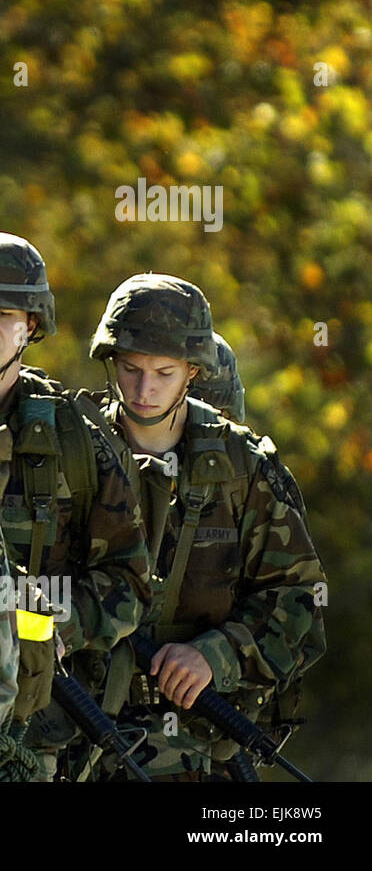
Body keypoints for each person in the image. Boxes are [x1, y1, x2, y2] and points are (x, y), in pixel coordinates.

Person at [0, 231, 150, 780]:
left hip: (23, 732)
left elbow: (128, 582)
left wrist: (49, 616)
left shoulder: (75, 439)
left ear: (31, 326)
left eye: (6, 312)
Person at [83, 273, 326, 780]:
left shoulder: (242, 467)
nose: (144, 390)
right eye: (130, 369)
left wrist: (215, 656)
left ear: (193, 371)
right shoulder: (75, 449)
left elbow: (300, 600)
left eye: (164, 372)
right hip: (75, 727)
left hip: (198, 741)